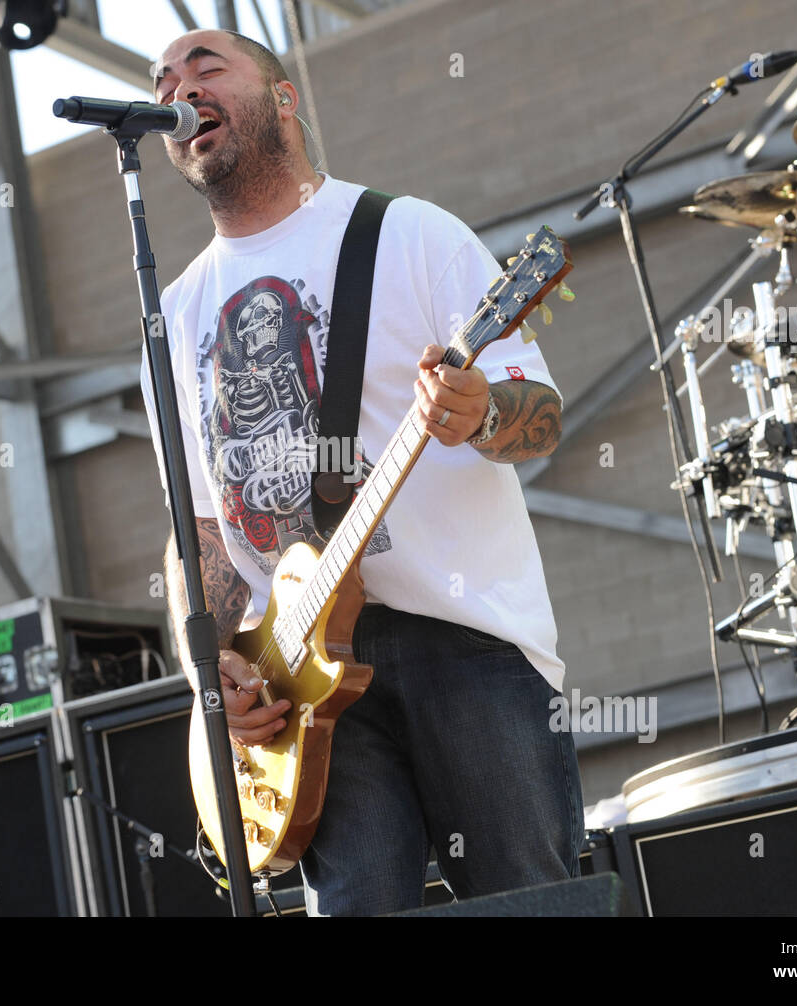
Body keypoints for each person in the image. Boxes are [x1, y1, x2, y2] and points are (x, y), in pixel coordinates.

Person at [139, 28, 584, 916]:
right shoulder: (175, 312)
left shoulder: (406, 233)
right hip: (300, 681)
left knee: (529, 901)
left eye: (205, 67)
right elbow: (199, 528)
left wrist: (480, 413)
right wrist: (208, 672)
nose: (177, 86)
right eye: (161, 81)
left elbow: (539, 417)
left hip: (465, 642)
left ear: (283, 98)